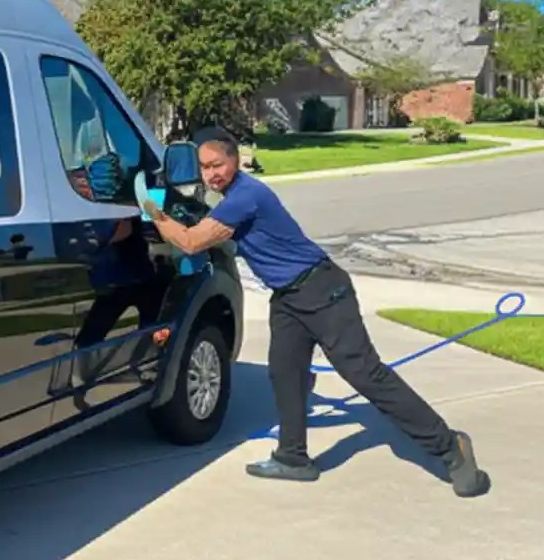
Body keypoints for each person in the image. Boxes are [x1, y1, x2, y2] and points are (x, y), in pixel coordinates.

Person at [141, 132, 491, 498]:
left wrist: (152, 210)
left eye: (217, 165)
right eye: (204, 167)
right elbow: (211, 223)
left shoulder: (247, 195)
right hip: (288, 298)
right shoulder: (231, 197)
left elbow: (192, 241)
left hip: (323, 291)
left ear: (234, 161)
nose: (211, 173)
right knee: (285, 372)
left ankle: (451, 448)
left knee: (366, 375)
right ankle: (293, 458)